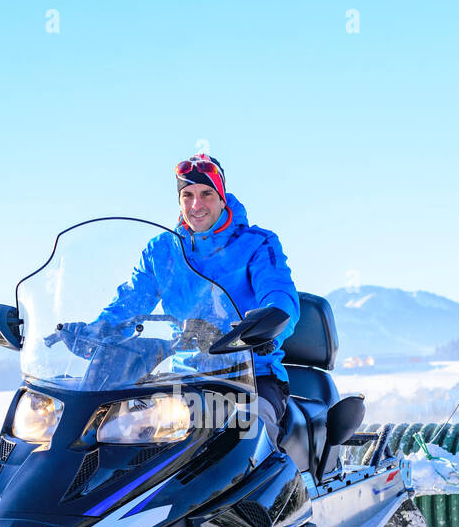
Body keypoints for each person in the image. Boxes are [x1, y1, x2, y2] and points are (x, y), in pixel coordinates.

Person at [78, 154, 300, 442]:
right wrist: (98, 329)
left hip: (250, 377)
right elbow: (131, 299)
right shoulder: (162, 250)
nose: (197, 205)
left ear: (222, 198)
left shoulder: (257, 244)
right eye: (188, 195)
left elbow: (279, 293)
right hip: (184, 378)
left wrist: (266, 324)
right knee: (117, 438)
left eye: (207, 193)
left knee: (244, 441)